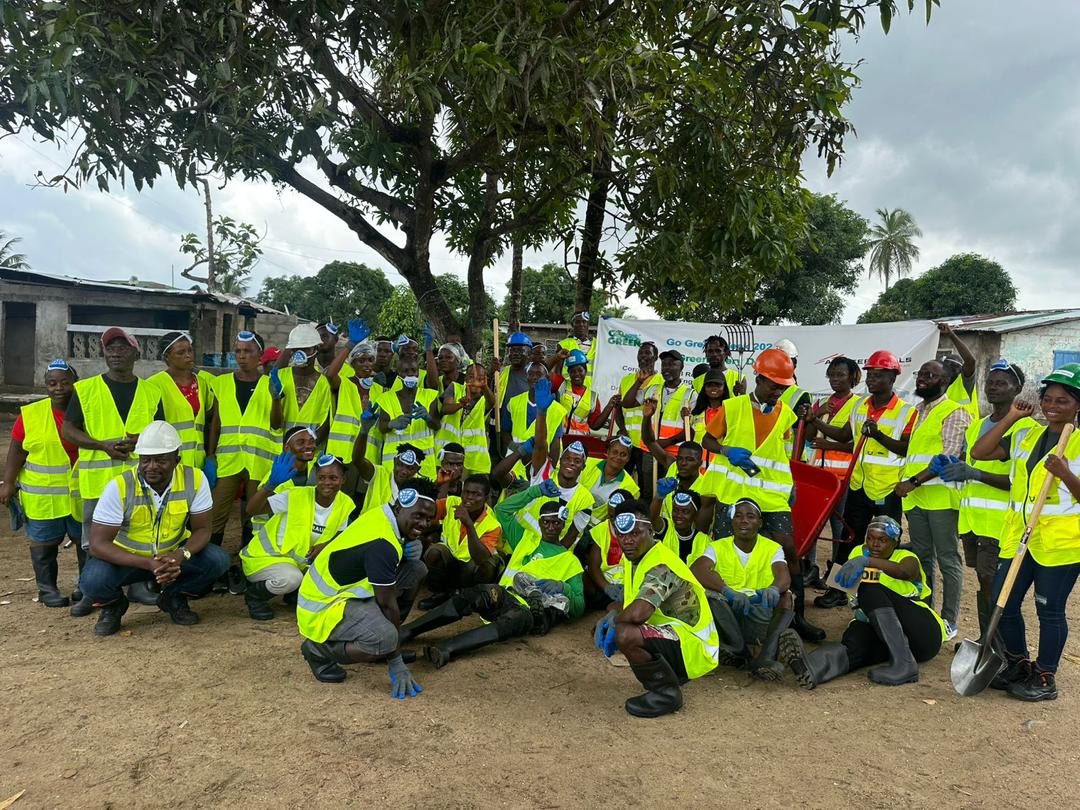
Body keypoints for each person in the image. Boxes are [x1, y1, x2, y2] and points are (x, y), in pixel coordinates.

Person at [970, 364, 1080, 701]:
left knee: (1049, 610)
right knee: (1004, 601)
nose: (1052, 406)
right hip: (1019, 537)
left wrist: (1064, 474)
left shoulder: (1076, 444)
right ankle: (1017, 662)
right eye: (1048, 398)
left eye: (1062, 401)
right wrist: (1011, 418)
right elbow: (980, 452)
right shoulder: (1026, 434)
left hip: (1059, 543)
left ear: (1077, 405)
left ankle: (1045, 675)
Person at [699, 347, 825, 642]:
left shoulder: (786, 415)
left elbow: (778, 452)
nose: (778, 392)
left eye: (783, 388)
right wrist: (726, 451)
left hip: (771, 495)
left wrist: (790, 484)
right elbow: (707, 439)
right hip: (735, 492)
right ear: (758, 378)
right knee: (724, 552)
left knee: (790, 551)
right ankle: (722, 620)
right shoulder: (732, 407)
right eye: (773, 386)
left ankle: (797, 618)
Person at [398, 494, 586, 668]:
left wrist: (564, 587)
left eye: (556, 523)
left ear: (563, 524)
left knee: (512, 621)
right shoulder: (525, 538)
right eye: (546, 522)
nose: (551, 527)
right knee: (476, 594)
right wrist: (536, 491)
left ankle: (446, 648)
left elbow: (578, 607)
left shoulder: (570, 561)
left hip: (530, 609)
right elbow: (503, 509)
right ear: (540, 522)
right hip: (506, 594)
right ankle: (408, 630)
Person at [77, 422, 229, 636]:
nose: (151, 467)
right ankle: (113, 607)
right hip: (127, 560)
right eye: (145, 460)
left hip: (172, 558)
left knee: (218, 560)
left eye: (160, 460)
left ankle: (174, 597)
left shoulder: (194, 479)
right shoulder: (119, 486)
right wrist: (148, 563)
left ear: (176, 460)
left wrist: (180, 555)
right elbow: (98, 545)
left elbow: (203, 529)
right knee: (92, 581)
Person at [295, 480, 437, 696]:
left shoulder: (384, 515)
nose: (424, 524)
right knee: (385, 637)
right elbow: (387, 604)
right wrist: (395, 660)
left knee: (416, 570)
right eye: (418, 516)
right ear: (399, 508)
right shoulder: (383, 543)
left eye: (428, 518)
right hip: (323, 605)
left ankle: (384, 645)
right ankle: (317, 650)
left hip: (350, 590)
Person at [62, 327, 164, 614]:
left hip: (138, 481)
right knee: (91, 540)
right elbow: (68, 429)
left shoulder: (151, 391)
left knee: (139, 533)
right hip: (97, 480)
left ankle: (138, 587)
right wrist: (100, 445)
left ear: (136, 352)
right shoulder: (85, 389)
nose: (115, 352)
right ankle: (90, 591)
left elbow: (160, 432)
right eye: (110, 348)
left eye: (122, 347)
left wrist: (142, 441)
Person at [779, 516, 944, 688]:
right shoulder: (858, 553)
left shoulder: (906, 557)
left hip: (923, 633)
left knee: (869, 589)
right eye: (870, 538)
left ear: (895, 543)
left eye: (883, 540)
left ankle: (905, 664)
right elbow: (846, 585)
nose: (874, 544)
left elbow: (904, 572)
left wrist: (868, 562)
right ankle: (811, 666)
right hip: (881, 633)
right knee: (855, 638)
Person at [811, 351, 916, 610]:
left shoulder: (906, 412)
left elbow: (905, 448)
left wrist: (878, 435)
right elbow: (846, 435)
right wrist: (815, 421)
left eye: (878, 375)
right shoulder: (859, 406)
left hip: (887, 489)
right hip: (858, 486)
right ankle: (839, 590)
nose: (871, 379)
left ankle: (884, 594)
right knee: (851, 539)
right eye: (870, 374)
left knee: (886, 543)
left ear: (892, 378)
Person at [595, 500, 719, 718]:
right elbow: (631, 601)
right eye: (622, 536)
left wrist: (615, 621)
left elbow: (639, 613)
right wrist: (612, 613)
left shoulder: (661, 563)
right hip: (676, 635)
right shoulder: (636, 557)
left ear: (650, 530)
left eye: (635, 534)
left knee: (625, 633)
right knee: (617, 623)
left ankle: (666, 693)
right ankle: (667, 676)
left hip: (696, 647)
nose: (628, 541)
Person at [946, 360, 1028, 647]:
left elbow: (1020, 481)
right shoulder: (979, 424)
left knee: (993, 583)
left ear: (1017, 389)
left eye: (1001, 383)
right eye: (990, 382)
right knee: (983, 582)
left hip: (1000, 522)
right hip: (972, 519)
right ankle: (987, 639)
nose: (992, 387)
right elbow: (970, 462)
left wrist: (975, 473)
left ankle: (1000, 647)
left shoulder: (1024, 428)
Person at [894, 359, 972, 641]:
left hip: (940, 498)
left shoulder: (954, 411)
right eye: (921, 374)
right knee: (923, 557)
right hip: (916, 500)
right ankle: (926, 612)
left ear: (944, 381)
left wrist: (912, 482)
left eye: (931, 375)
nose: (923, 378)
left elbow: (947, 458)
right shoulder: (918, 411)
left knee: (948, 560)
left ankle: (949, 619)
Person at [0, 359, 81, 607]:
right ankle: (47, 590)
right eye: (52, 383)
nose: (58, 388)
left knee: (86, 542)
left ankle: (86, 588)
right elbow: (16, 451)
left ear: (74, 384)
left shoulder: (87, 409)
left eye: (65, 382)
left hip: (80, 492)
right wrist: (8, 483)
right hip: (44, 496)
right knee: (44, 543)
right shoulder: (32, 414)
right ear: (45, 386)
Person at [240, 453, 355, 620]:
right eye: (322, 477)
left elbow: (340, 532)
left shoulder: (345, 503)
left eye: (333, 478)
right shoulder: (295, 495)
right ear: (316, 477)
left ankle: (294, 592)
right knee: (292, 579)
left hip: (298, 563)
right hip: (264, 559)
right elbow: (252, 510)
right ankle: (255, 596)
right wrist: (269, 486)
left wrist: (325, 545)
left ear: (343, 479)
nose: (327, 483)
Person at [204, 330, 276, 595]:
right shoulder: (221, 383)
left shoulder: (271, 383)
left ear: (259, 354)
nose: (242, 356)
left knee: (255, 516)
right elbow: (216, 422)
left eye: (247, 351)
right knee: (217, 514)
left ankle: (249, 569)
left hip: (259, 459)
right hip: (228, 459)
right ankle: (213, 570)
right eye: (238, 351)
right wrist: (210, 455)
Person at [689, 498, 792, 680]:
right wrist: (727, 590)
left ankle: (765, 656)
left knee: (787, 597)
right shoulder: (717, 546)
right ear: (732, 521)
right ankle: (742, 651)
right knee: (707, 595)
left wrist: (774, 589)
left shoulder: (773, 548)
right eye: (738, 516)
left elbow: (783, 574)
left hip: (760, 613)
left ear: (759, 523)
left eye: (750, 516)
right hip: (729, 613)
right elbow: (697, 570)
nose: (743, 520)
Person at [803, 356, 861, 584]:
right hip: (817, 475)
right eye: (832, 375)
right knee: (813, 527)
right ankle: (811, 568)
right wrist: (814, 416)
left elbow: (849, 440)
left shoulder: (857, 405)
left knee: (840, 530)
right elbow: (808, 437)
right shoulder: (822, 403)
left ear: (853, 377)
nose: (835, 379)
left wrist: (819, 428)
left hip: (842, 478)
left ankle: (836, 576)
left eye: (841, 375)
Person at [420, 474, 503, 608]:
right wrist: (439, 484)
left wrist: (469, 524)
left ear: (486, 498)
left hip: (472, 569)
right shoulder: (451, 503)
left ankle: (469, 598)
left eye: (476, 494)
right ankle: (440, 594)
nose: (469, 497)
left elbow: (481, 558)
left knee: (485, 566)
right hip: (451, 562)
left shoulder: (492, 524)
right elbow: (426, 509)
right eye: (467, 492)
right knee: (434, 551)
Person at [149, 331, 216, 478]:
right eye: (181, 352)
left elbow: (210, 420)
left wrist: (210, 456)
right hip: (169, 461)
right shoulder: (154, 385)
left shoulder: (202, 383)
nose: (188, 355)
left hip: (198, 461)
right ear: (167, 357)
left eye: (190, 350)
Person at [375, 353, 441, 480]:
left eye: (413, 370)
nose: (410, 374)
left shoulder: (429, 396)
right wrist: (391, 423)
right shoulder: (386, 398)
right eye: (405, 371)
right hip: (394, 466)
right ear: (399, 374)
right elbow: (382, 427)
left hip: (423, 464)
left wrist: (428, 417)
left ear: (418, 372)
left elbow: (436, 425)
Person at [626, 349, 696, 459]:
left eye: (672, 364)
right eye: (664, 365)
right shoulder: (652, 390)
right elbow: (627, 403)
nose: (667, 368)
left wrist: (667, 441)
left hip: (675, 454)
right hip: (650, 452)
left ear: (681, 367)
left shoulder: (690, 394)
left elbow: (693, 430)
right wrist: (639, 381)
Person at [270, 323, 332, 438]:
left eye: (306, 349)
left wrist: (310, 445)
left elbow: (327, 423)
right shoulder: (280, 377)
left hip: (310, 453)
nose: (300, 354)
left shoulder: (325, 383)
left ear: (316, 350)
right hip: (282, 451)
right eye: (296, 349)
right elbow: (274, 423)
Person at [618, 341, 661, 492]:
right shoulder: (626, 380)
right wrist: (622, 428)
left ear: (655, 357)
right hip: (627, 442)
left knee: (646, 487)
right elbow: (619, 406)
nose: (643, 356)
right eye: (641, 353)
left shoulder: (661, 382)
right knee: (622, 483)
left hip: (647, 444)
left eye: (648, 353)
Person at [583, 489, 636, 609]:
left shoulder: (638, 530)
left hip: (629, 584)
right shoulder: (602, 529)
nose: (614, 521)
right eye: (611, 516)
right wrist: (607, 587)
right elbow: (593, 566)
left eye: (618, 517)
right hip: (604, 584)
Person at [551, 349, 619, 436]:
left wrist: (610, 405)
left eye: (580, 370)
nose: (576, 374)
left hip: (580, 443)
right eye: (572, 371)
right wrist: (557, 358)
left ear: (585, 371)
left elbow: (595, 425)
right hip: (558, 438)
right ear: (568, 373)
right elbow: (547, 374)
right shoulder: (561, 385)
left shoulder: (592, 396)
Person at [446, 362, 494, 477]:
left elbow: (492, 403)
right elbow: (445, 408)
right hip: (450, 457)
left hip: (476, 462)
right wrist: (459, 405)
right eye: (471, 377)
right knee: (445, 490)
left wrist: (484, 387)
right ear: (465, 377)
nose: (475, 381)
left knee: (475, 493)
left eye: (480, 378)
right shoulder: (454, 387)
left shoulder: (484, 399)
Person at [506, 366, 566, 456]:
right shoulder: (514, 402)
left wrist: (550, 468)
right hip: (515, 462)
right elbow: (504, 431)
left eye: (539, 374)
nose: (534, 377)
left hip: (541, 462)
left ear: (546, 379)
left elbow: (555, 445)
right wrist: (516, 449)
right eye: (531, 374)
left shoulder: (557, 409)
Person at [580, 434, 640, 524]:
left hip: (598, 530)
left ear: (628, 459)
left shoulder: (632, 489)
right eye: (615, 452)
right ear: (608, 452)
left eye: (623, 455)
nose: (618, 457)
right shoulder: (587, 464)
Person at [774, 339, 812, 459]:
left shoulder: (800, 396)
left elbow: (800, 433)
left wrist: (796, 464)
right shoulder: (766, 390)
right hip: (771, 459)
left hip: (791, 460)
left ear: (793, 364)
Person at [493, 332, 533, 442]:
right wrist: (490, 373)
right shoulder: (500, 373)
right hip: (501, 431)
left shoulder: (534, 376)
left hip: (525, 432)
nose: (515, 353)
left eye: (520, 350)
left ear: (529, 353)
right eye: (512, 350)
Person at [938, 322, 980, 419]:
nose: (952, 368)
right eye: (949, 365)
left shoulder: (965, 382)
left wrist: (950, 334)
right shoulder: (939, 383)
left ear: (961, 369)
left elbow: (971, 361)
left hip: (966, 429)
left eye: (957, 366)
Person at [653, 490, 710, 561]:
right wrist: (659, 496)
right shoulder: (666, 527)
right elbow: (652, 519)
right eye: (675, 510)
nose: (679, 515)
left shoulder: (704, 541)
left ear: (696, 515)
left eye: (685, 512)